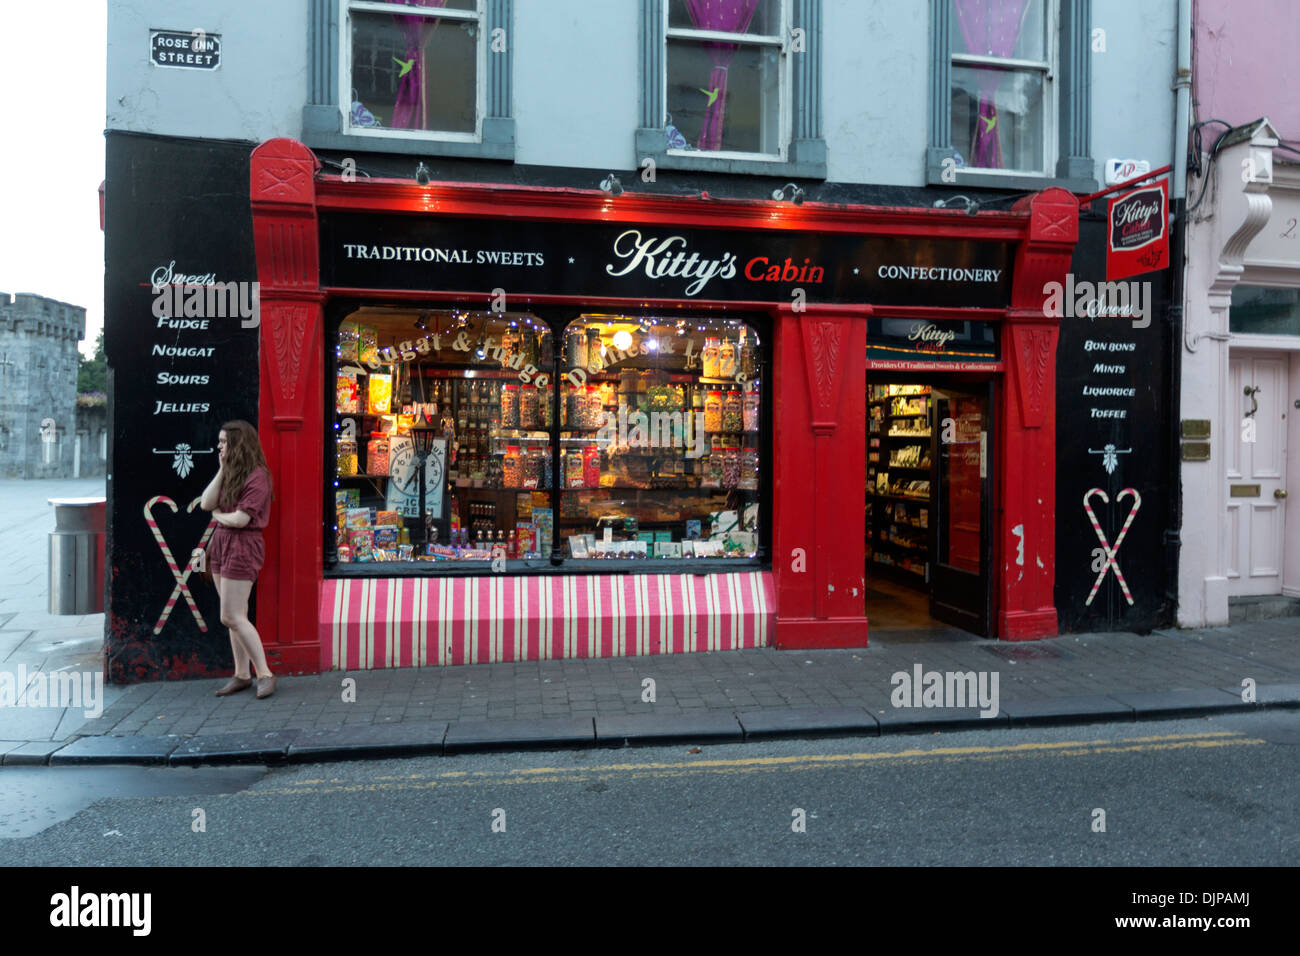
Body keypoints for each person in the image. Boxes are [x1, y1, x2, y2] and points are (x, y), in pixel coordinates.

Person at [199, 420, 277, 699]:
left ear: (238, 444)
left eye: (223, 442)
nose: (218, 446)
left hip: (243, 545)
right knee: (234, 617)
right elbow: (206, 502)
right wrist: (221, 469)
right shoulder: (230, 473)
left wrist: (219, 517)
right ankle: (242, 674)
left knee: (230, 615)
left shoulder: (257, 477)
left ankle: (265, 673)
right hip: (221, 543)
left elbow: (240, 519)